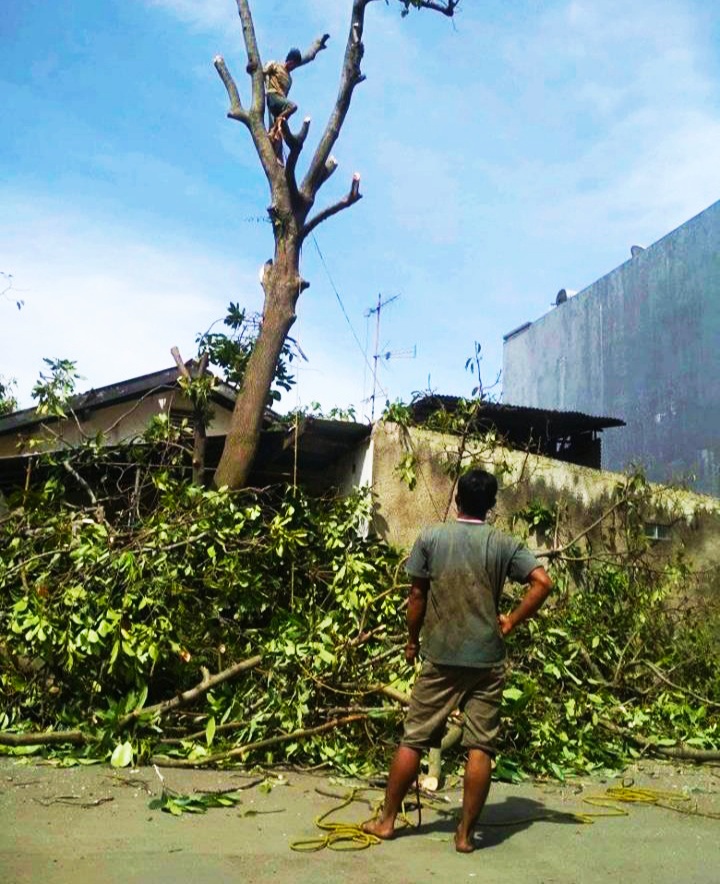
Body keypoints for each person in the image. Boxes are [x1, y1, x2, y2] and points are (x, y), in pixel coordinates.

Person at [363, 468, 552, 853]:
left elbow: (417, 597)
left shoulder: (432, 537)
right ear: (491, 505)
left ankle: (386, 821)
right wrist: (511, 621)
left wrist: (412, 642)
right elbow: (543, 583)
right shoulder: (504, 543)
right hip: (487, 659)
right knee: (480, 746)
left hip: (441, 656)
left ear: (457, 500)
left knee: (414, 738)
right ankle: (465, 835)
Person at [263, 48, 302, 132]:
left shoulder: (289, 80)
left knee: (282, 127)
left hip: (280, 101)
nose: (293, 67)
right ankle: (278, 122)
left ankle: (275, 130)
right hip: (273, 96)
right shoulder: (275, 65)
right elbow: (262, 73)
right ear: (290, 61)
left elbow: (285, 96)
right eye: (293, 64)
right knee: (292, 106)